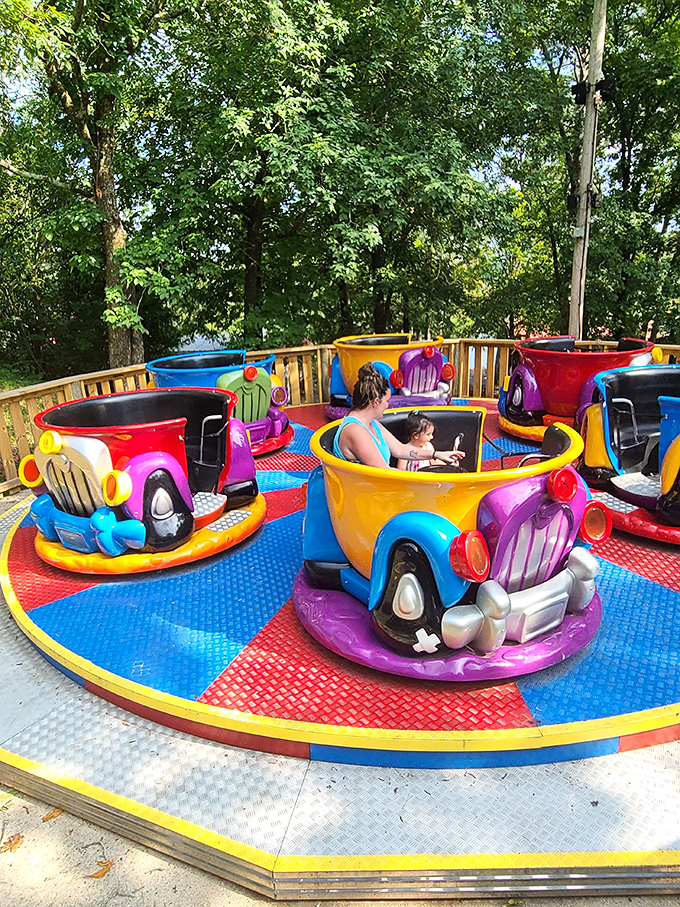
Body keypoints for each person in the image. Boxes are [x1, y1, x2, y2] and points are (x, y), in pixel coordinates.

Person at [333, 364, 465, 469]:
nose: (388, 405)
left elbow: (401, 450)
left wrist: (437, 455)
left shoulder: (371, 423)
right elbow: (383, 472)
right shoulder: (355, 430)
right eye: (386, 401)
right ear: (376, 402)